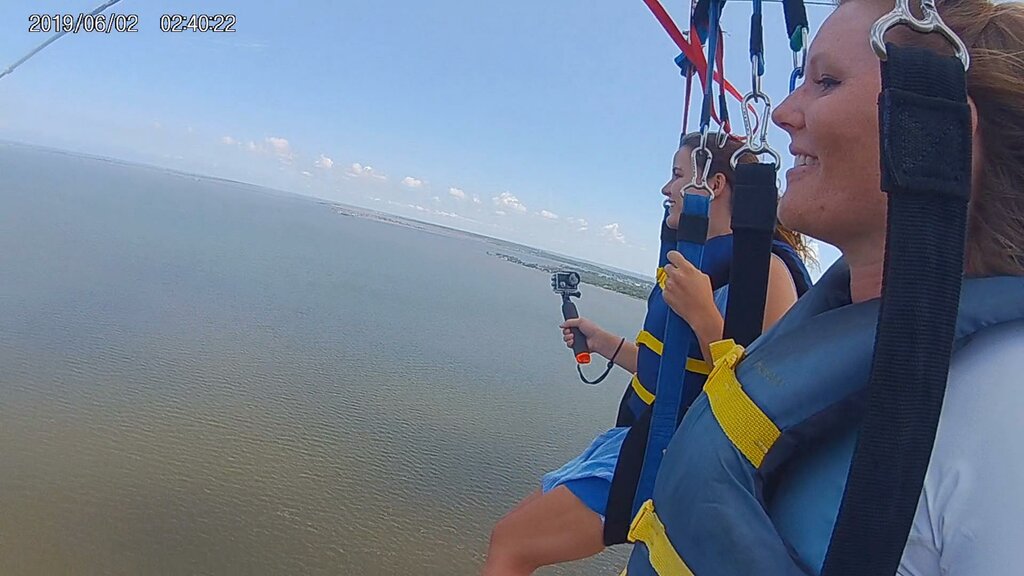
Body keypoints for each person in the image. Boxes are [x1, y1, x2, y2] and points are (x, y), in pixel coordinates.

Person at [622, 0, 1024, 574]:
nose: (782, 112)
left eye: (827, 81)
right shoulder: (829, 329)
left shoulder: (1005, 406)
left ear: (935, 131)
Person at [481, 134, 814, 576]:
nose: (666, 189)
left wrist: (702, 315)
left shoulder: (765, 273)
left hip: (671, 454)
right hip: (637, 436)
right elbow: (676, 373)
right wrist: (605, 342)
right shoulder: (699, 264)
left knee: (512, 544)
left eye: (677, 176)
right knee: (508, 530)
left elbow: (767, 397)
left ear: (713, 185)